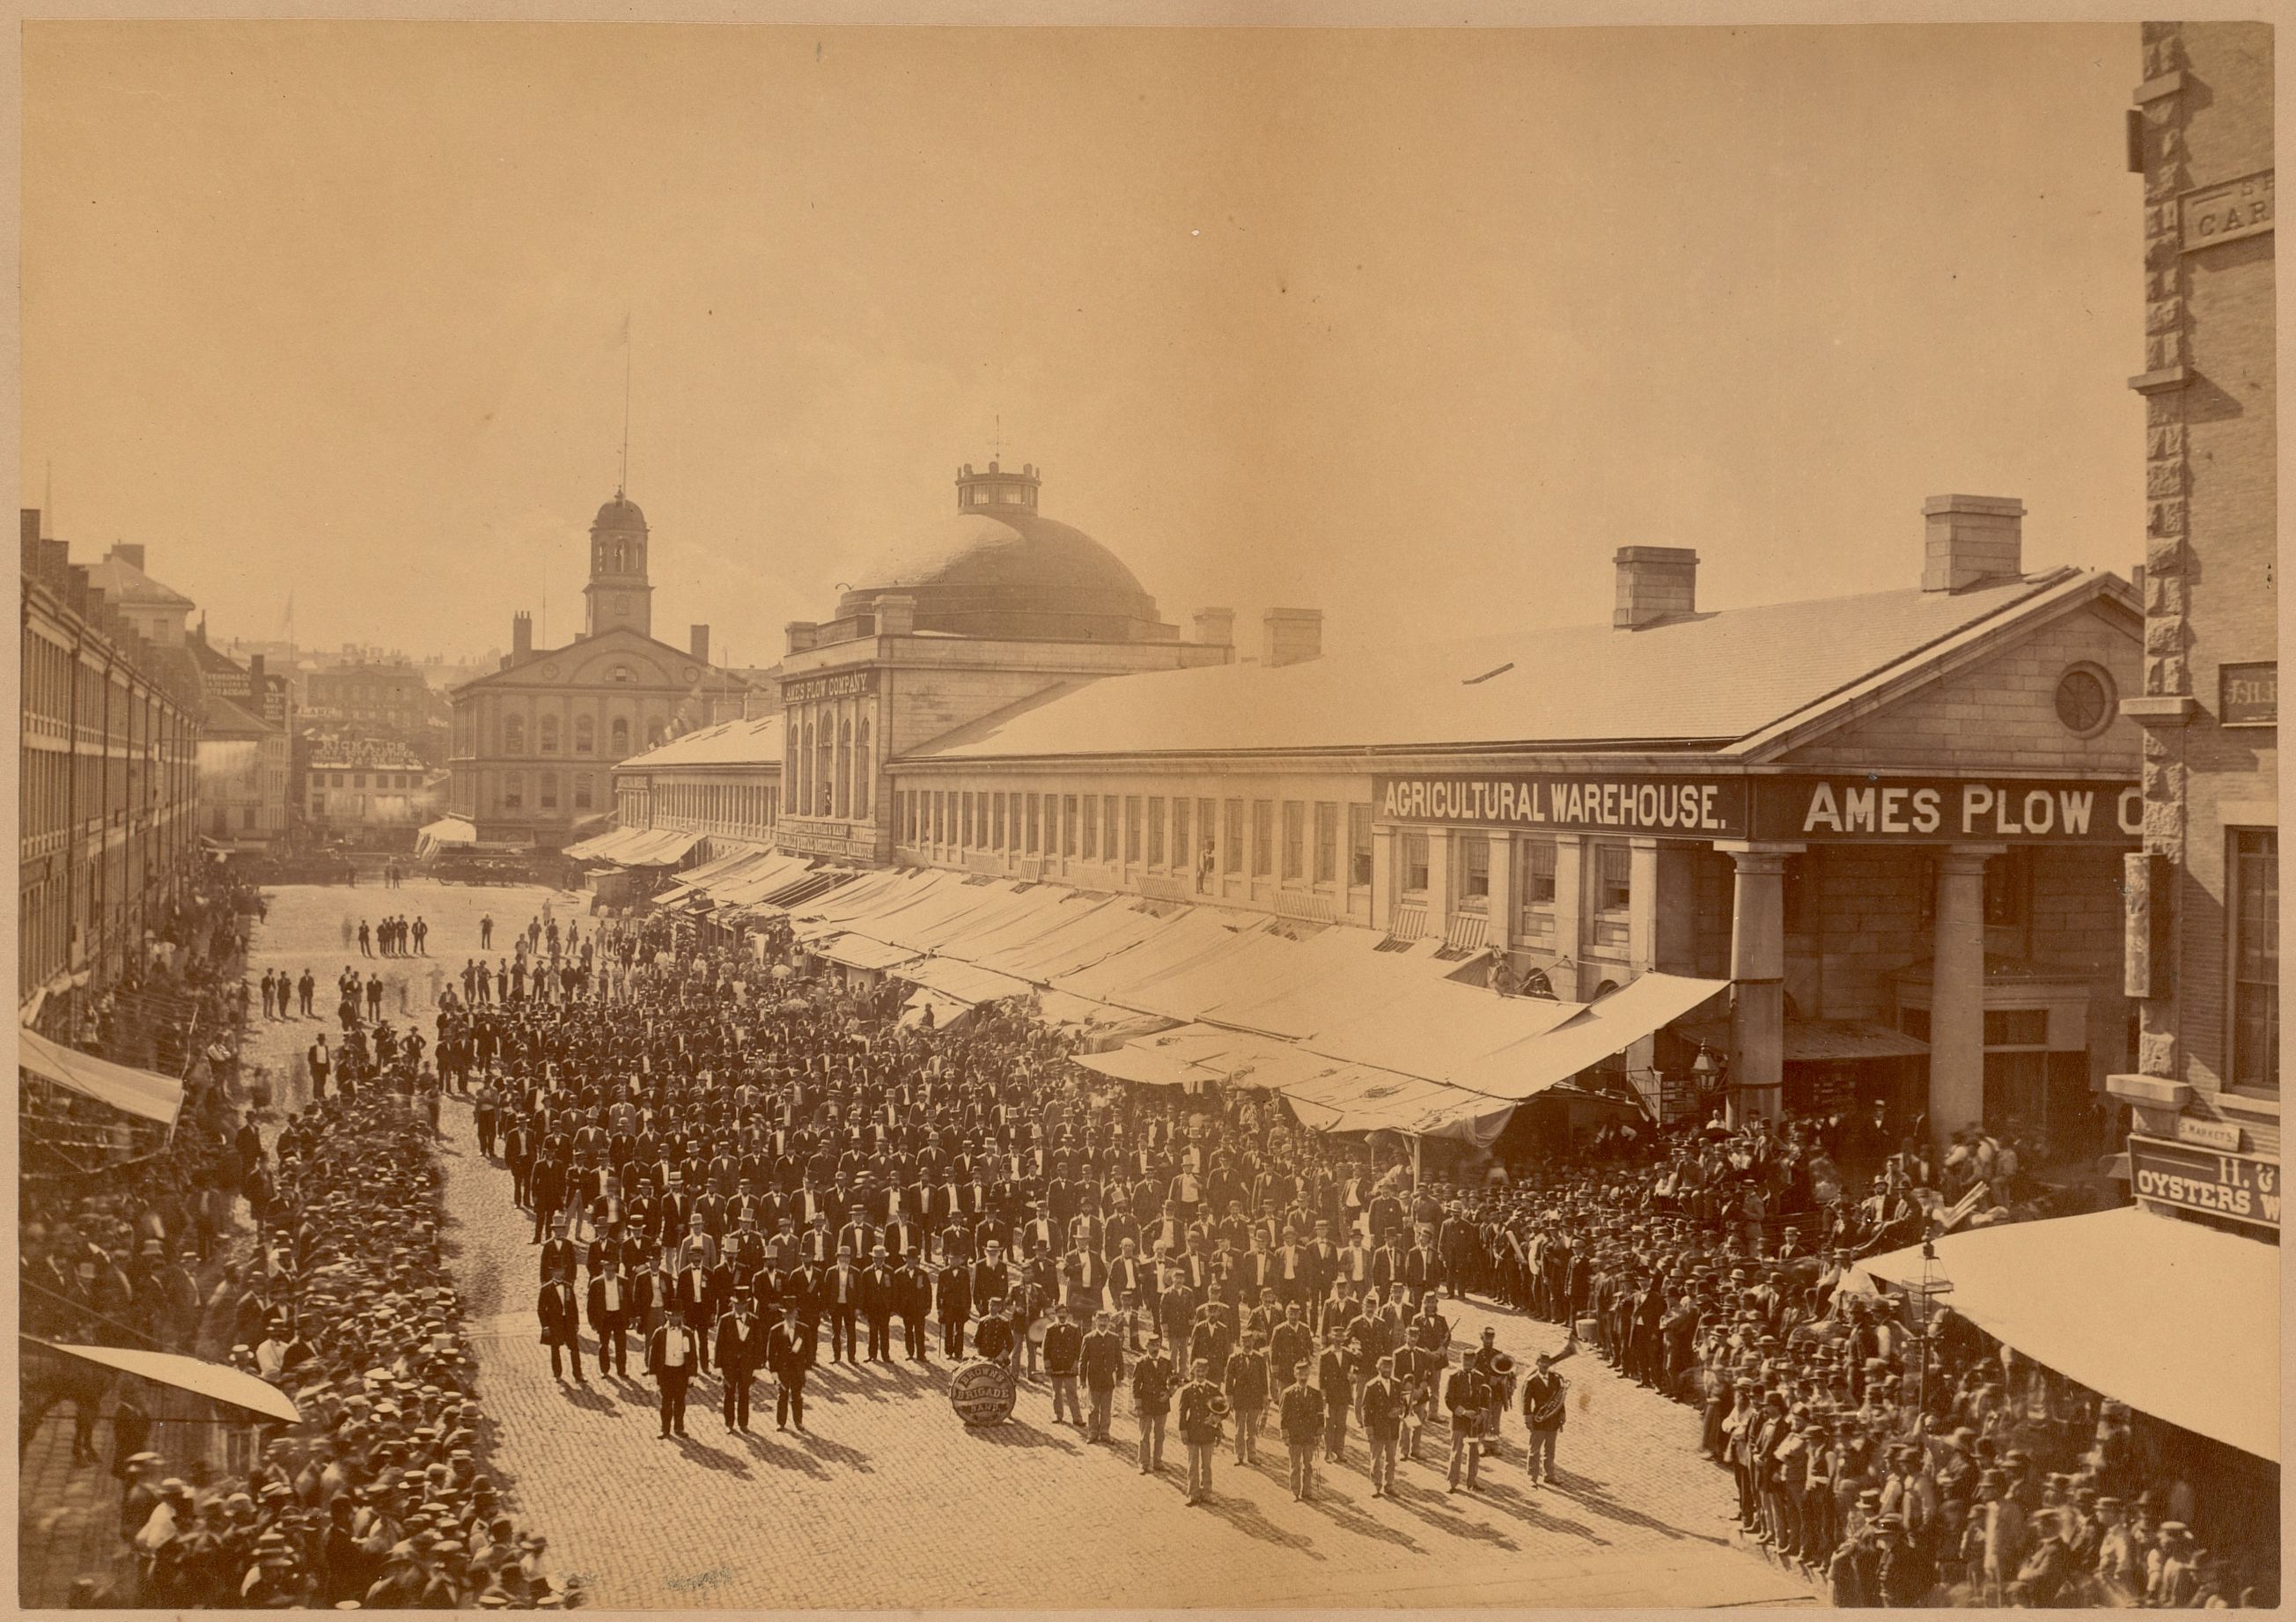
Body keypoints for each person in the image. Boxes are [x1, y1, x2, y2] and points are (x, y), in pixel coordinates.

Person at [1520, 1335, 1578, 1486]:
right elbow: (1526, 1402)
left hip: (1553, 1419)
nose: (1545, 1365)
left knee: (1550, 1450)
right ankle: (1532, 1477)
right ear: (1537, 1363)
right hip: (1539, 1420)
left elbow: (1560, 1398)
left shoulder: (1556, 1378)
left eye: (1547, 1362)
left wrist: (1562, 1414)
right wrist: (1527, 1418)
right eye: (1542, 1362)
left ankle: (1549, 1475)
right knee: (1535, 1450)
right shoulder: (1531, 1381)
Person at [1175, 1356, 1225, 1506]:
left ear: (1207, 1371)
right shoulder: (1187, 1390)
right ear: (1193, 1371)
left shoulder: (1213, 1389)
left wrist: (1215, 1419)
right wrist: (1183, 1431)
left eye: (1203, 1371)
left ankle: (1207, 1493)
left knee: (1207, 1465)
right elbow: (1182, 1412)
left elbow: (1225, 1408)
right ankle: (1193, 1494)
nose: (1201, 1373)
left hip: (1208, 1432)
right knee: (1192, 1465)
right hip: (1193, 1432)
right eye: (1198, 1370)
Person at [1279, 1358, 1325, 1502]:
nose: (1303, 1378)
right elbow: (1283, 1415)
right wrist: (1285, 1435)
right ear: (1295, 1375)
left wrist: (1319, 1433)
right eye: (1300, 1374)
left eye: (1306, 1374)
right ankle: (1295, 1492)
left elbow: (1320, 1415)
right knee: (1295, 1465)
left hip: (1309, 1435)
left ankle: (1307, 1492)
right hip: (1295, 1435)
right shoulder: (1288, 1393)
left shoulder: (1315, 1394)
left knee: (1308, 1465)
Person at [647, 1306, 697, 1439]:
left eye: (678, 1315)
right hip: (666, 1371)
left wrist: (692, 1374)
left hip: (681, 1371)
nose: (675, 1318)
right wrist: (653, 1374)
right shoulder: (660, 1333)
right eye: (672, 1315)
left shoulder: (687, 1333)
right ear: (667, 1316)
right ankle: (665, 1428)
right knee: (666, 1402)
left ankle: (679, 1427)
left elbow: (692, 1354)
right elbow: (653, 1355)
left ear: (681, 1316)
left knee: (680, 1401)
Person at [717, 1290, 762, 1433]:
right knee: (729, 1394)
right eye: (737, 1304)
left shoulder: (754, 1321)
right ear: (733, 1304)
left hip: (746, 1365)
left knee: (744, 1394)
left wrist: (757, 1367)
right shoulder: (725, 1320)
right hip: (729, 1365)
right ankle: (729, 1423)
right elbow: (719, 1345)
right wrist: (718, 1367)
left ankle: (743, 1423)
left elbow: (758, 1345)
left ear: (747, 1305)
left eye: (742, 1304)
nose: (740, 1307)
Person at [1362, 1353, 1405, 1498]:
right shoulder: (1371, 1386)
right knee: (1376, 1459)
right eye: (1384, 1366)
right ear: (1378, 1367)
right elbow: (1365, 1409)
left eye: (1389, 1366)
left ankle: (1389, 1484)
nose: (1387, 1369)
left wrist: (1399, 1410)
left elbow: (1402, 1402)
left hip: (1392, 1427)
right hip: (1378, 1427)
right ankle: (1376, 1485)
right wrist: (1369, 1430)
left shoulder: (1397, 1384)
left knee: (1391, 1459)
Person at [1130, 1335, 1174, 1476]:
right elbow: (1135, 1385)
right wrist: (1138, 1405)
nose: (1155, 1348)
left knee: (1160, 1435)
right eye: (1152, 1345)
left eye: (1157, 1345)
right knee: (1144, 1435)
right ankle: (1143, 1463)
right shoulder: (1141, 1363)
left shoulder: (1166, 1362)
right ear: (1147, 1346)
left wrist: (1169, 1393)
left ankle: (1158, 1461)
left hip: (1161, 1404)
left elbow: (1174, 1380)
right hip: (1146, 1403)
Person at [1225, 1330, 1269, 1464]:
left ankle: (1252, 1455)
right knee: (1239, 1430)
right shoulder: (1234, 1359)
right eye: (1244, 1341)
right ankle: (1239, 1455)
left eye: (1249, 1341)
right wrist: (1229, 1398)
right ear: (1240, 1342)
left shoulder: (1260, 1359)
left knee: (1252, 1429)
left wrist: (1265, 1398)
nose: (1247, 1344)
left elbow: (1264, 1380)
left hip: (1255, 1399)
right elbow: (1228, 1381)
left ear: (1254, 1342)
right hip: (1240, 1399)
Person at [1081, 1310, 1125, 1444]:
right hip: (1094, 1380)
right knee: (1093, 1408)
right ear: (1095, 1321)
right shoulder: (1088, 1338)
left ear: (1109, 1322)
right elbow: (1083, 1361)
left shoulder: (1114, 1338)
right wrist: (1082, 1380)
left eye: (1105, 1320)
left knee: (1106, 1408)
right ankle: (1093, 1432)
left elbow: (1119, 1359)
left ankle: (1105, 1433)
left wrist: (1120, 1377)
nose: (1103, 1323)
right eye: (1100, 1320)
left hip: (1108, 1380)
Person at [769, 1300, 813, 1432]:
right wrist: (773, 1372)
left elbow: (809, 1351)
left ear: (796, 1314)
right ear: (783, 1315)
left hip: (798, 1369)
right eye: (787, 1314)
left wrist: (807, 1369)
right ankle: (781, 1422)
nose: (790, 1317)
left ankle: (798, 1421)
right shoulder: (775, 1330)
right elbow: (771, 1353)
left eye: (792, 1314)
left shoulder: (804, 1329)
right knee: (782, 1395)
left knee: (797, 1395)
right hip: (783, 1369)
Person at [1446, 1357, 1487, 1493]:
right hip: (1459, 1421)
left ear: (1474, 1361)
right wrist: (1463, 1412)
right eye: (1465, 1360)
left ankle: (1472, 1481)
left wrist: (1481, 1416)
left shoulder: (1480, 1377)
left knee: (1474, 1451)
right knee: (1456, 1451)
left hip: (1474, 1423)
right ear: (1461, 1360)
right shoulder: (1454, 1376)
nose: (1468, 1362)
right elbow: (1448, 1400)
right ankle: (1452, 1482)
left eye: (1470, 1360)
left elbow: (1485, 1399)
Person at [586, 1257, 630, 1378]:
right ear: (603, 1269)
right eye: (607, 1270)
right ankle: (604, 1370)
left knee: (621, 1346)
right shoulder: (596, 1283)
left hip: (619, 1316)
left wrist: (630, 1318)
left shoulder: (623, 1282)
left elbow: (628, 1302)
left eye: (612, 1270)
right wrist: (592, 1321)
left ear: (615, 1268)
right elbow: (590, 1305)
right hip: (605, 1317)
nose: (609, 1273)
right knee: (604, 1345)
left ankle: (621, 1370)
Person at [1042, 1302, 1084, 1427]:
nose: (1062, 1315)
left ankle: (1077, 1417)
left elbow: (1078, 1349)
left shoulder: (1074, 1329)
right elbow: (1046, 1349)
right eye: (1059, 1313)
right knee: (1056, 1392)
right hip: (1055, 1366)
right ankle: (1057, 1414)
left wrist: (1075, 1365)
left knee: (1072, 1393)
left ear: (1067, 1314)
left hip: (1069, 1366)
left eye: (1064, 1312)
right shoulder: (1050, 1329)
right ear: (1056, 1314)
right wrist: (1048, 1366)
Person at [536, 1272, 582, 1384]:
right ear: (552, 1272)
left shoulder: (568, 1286)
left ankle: (578, 1374)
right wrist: (545, 1326)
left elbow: (574, 1306)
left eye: (561, 1270)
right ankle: (557, 1374)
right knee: (555, 1348)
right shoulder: (546, 1289)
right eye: (556, 1271)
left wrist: (576, 1322)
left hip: (568, 1322)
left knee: (574, 1348)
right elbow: (541, 1309)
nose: (559, 1273)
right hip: (555, 1323)